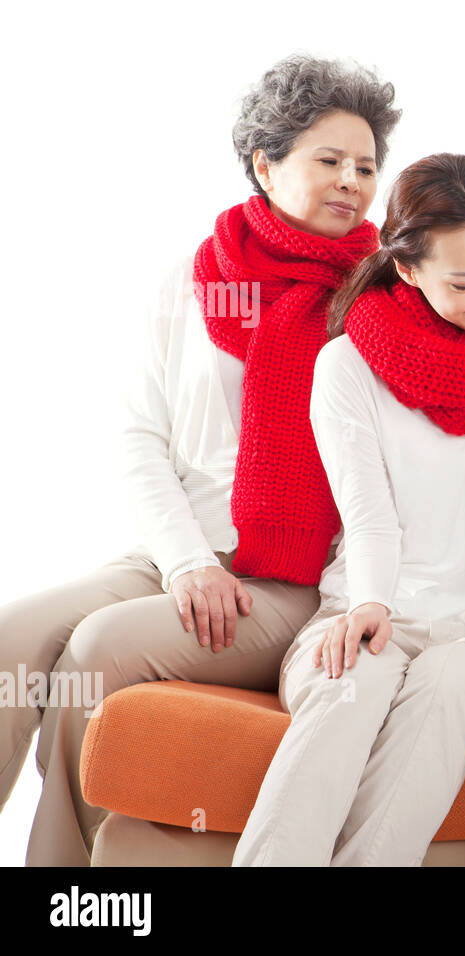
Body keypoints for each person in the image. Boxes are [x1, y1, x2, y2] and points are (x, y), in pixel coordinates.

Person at [0, 54, 399, 866]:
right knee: (11, 635)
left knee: (100, 648)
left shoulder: (381, 295)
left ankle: (58, 880)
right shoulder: (194, 277)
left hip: (287, 580)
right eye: (329, 160)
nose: (352, 181)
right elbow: (137, 436)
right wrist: (184, 562)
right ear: (265, 163)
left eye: (365, 166)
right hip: (177, 554)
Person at [233, 153, 465, 866]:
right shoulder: (347, 365)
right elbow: (368, 512)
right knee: (349, 685)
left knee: (448, 688)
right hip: (370, 607)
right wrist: (369, 603)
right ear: (406, 269)